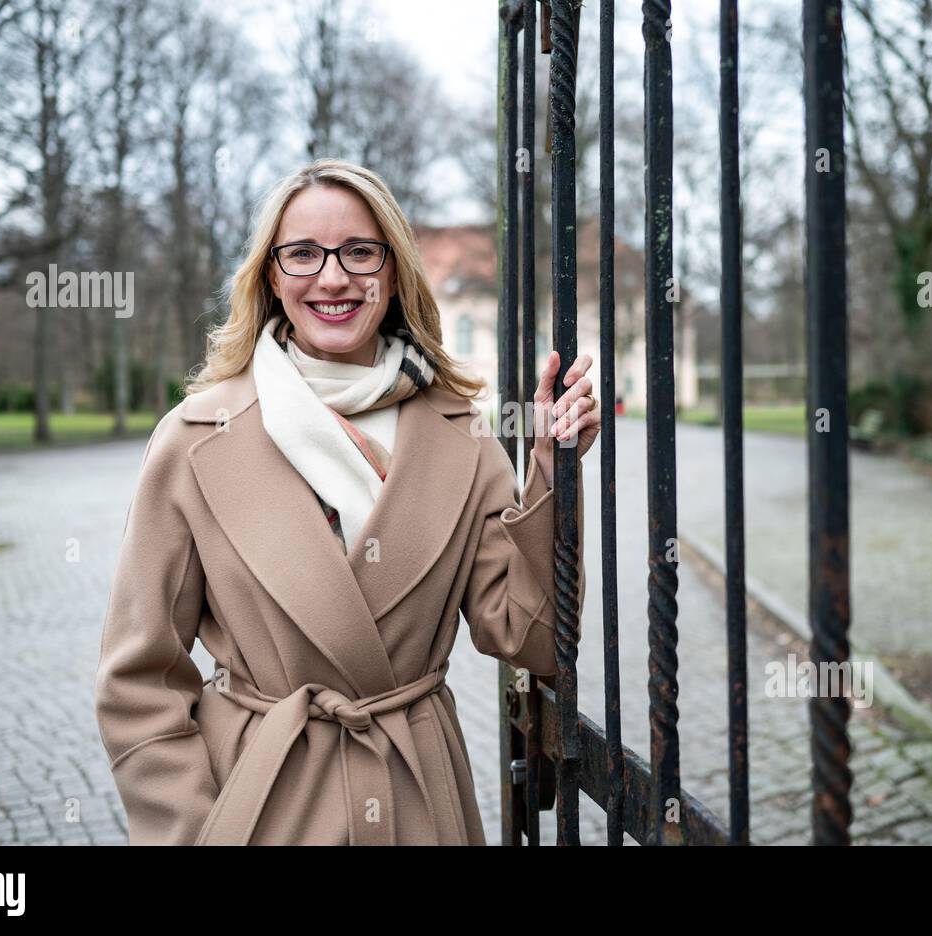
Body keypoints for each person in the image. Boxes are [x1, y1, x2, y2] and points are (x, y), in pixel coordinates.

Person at [93, 159, 601, 845]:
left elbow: (531, 640)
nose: (333, 277)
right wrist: (193, 830)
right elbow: (137, 681)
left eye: (360, 252)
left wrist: (548, 470)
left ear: (393, 273)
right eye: (302, 253)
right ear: (269, 275)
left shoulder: (463, 434)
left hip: (418, 799)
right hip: (260, 801)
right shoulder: (194, 440)